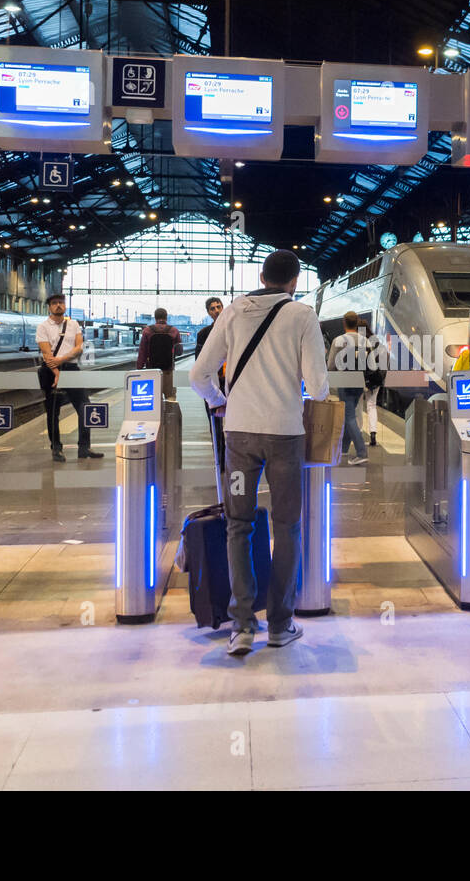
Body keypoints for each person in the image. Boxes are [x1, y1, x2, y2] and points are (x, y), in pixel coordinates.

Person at [190, 251, 330, 657]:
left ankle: (242, 626)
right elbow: (318, 387)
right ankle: (281, 625)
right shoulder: (302, 315)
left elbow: (198, 375)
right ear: (294, 281)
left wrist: (221, 402)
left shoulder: (233, 311)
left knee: (239, 524)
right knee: (287, 526)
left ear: (262, 276)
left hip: (240, 436)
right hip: (285, 435)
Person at [36, 294, 101, 464]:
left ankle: (84, 447)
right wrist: (57, 373)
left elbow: (79, 347)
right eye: (54, 303)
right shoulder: (43, 327)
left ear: (65, 306)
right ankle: (56, 448)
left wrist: (62, 361)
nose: (58, 306)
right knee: (52, 412)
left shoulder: (73, 324)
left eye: (61, 303)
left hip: (71, 368)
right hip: (50, 372)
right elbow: (46, 353)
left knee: (85, 408)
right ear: (49, 307)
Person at [326, 311, 369, 466]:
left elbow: (331, 364)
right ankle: (344, 449)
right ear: (357, 323)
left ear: (344, 323)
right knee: (349, 414)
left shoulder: (339, 340)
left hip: (345, 380)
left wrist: (328, 379)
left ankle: (362, 452)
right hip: (359, 381)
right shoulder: (365, 341)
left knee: (349, 416)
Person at [195, 296, 227, 471]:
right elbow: (199, 363)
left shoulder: (234, 329)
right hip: (214, 385)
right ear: (208, 312)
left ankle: (234, 459)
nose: (216, 310)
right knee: (215, 424)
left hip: (232, 384)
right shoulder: (203, 334)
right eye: (212, 308)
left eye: (219, 306)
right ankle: (220, 460)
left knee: (235, 424)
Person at [136, 307, 183, 400]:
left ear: (155, 318)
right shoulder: (174, 330)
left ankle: (157, 414)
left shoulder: (147, 331)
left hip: (152, 370)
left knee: (155, 398)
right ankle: (170, 414)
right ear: (166, 317)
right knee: (170, 396)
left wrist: (139, 368)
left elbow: (142, 352)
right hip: (169, 370)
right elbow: (180, 351)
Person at [361, 327, 387, 446]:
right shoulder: (380, 345)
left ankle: (358, 433)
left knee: (357, 406)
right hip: (376, 380)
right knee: (372, 406)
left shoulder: (362, 345)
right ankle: (373, 434)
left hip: (364, 380)